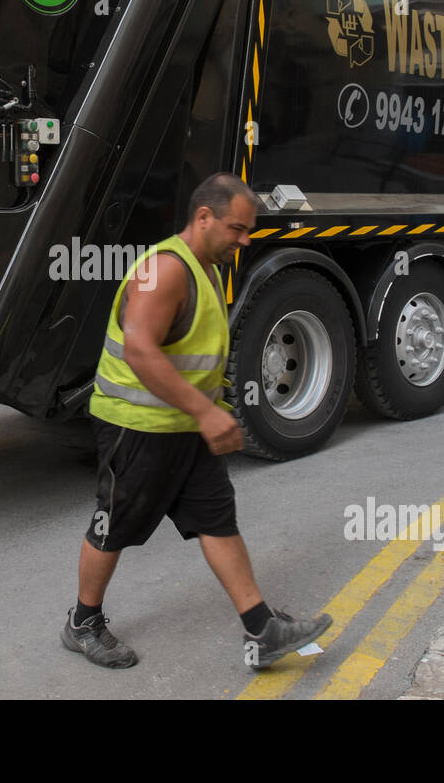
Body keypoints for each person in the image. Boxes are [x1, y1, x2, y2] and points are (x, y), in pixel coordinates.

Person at [60, 172, 333, 670]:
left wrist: (206, 412)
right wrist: (206, 410)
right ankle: (82, 623)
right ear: (203, 217)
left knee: (216, 519)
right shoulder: (164, 269)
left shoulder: (204, 265)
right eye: (236, 228)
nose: (244, 239)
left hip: (185, 427)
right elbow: (141, 350)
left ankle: (262, 628)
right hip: (137, 427)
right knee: (114, 523)